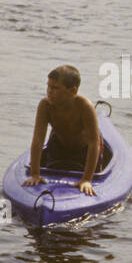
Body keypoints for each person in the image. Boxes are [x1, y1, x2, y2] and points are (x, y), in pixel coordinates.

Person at [21, 65, 107, 196]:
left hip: (83, 150)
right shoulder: (45, 105)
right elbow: (38, 140)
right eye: (48, 86)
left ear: (73, 91)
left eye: (55, 88)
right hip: (60, 146)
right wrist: (35, 174)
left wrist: (86, 180)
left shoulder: (85, 107)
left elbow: (93, 144)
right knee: (51, 160)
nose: (49, 91)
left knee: (93, 158)